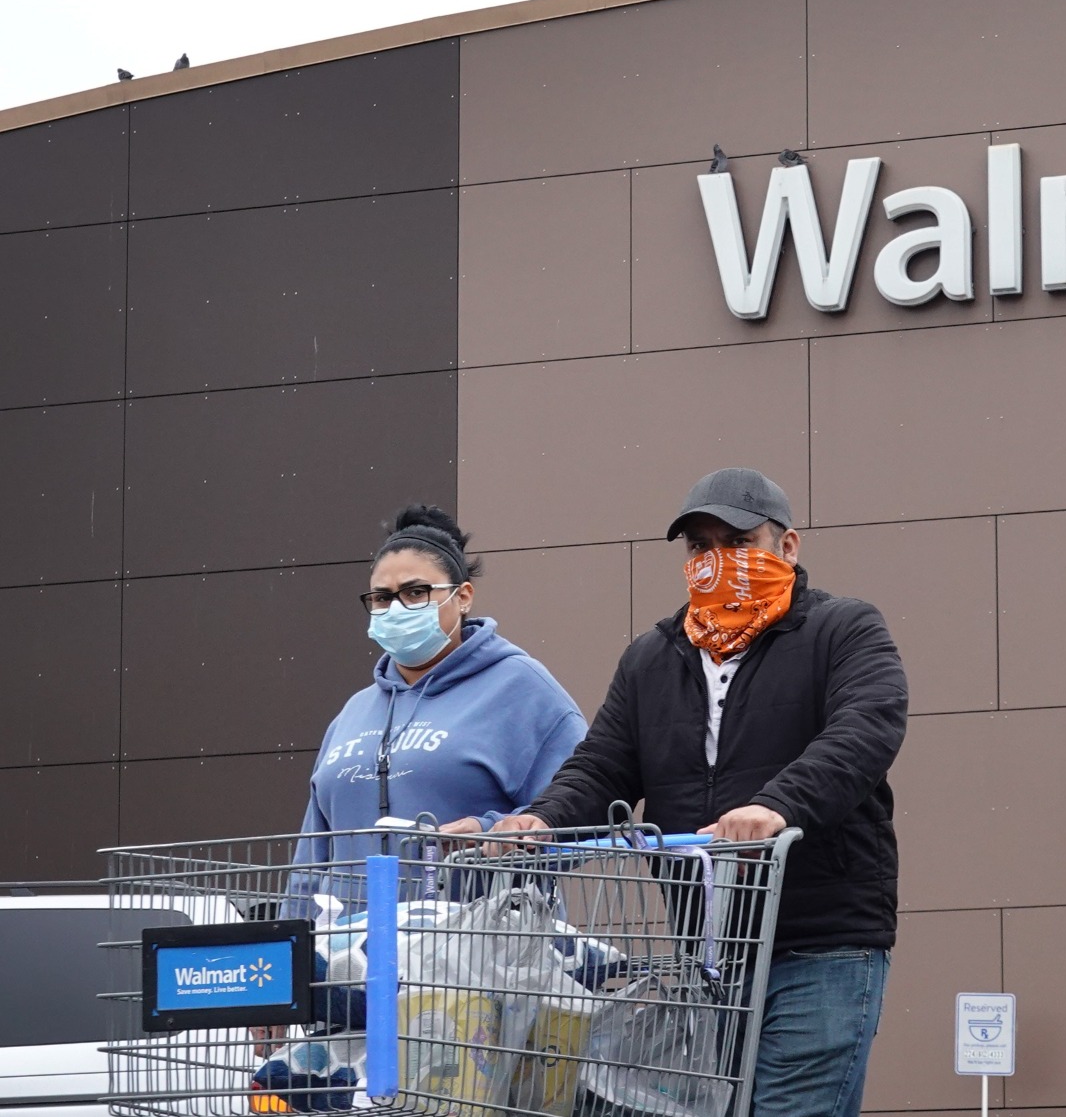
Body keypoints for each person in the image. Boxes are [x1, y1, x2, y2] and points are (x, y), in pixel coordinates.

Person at [491, 468, 908, 1117]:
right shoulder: (651, 658)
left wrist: (777, 805)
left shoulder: (841, 629)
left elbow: (867, 725)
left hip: (821, 942)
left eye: (738, 542)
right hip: (711, 957)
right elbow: (603, 764)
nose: (718, 561)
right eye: (700, 547)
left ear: (788, 546)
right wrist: (540, 820)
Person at [295, 504, 588, 869]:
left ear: (463, 597)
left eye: (416, 592)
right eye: (382, 598)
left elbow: (580, 813)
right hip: (352, 909)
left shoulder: (523, 689)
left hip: (482, 906)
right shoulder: (353, 712)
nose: (396, 608)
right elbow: (312, 858)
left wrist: (489, 831)